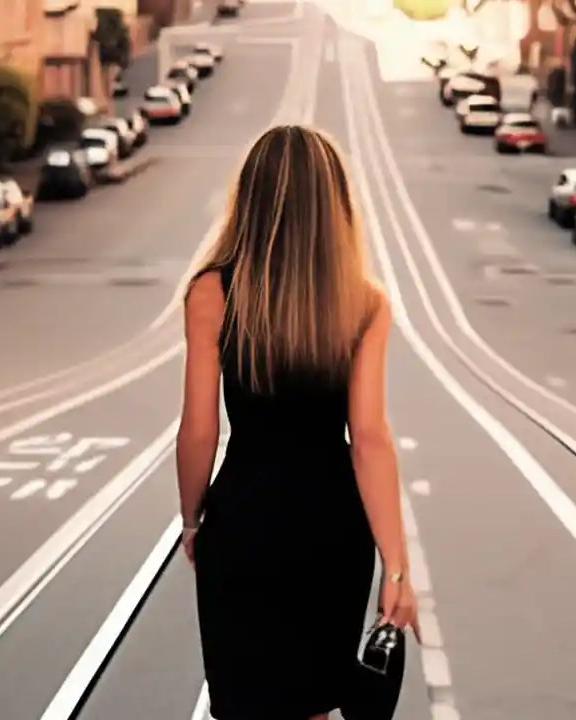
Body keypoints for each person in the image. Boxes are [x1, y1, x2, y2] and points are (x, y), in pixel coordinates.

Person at [177, 125, 420, 720]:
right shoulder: (363, 304)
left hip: (244, 518)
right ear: (334, 206)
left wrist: (192, 519)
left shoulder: (212, 292)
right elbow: (369, 440)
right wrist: (396, 567)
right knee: (312, 704)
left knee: (244, 704)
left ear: (249, 201)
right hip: (330, 530)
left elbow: (199, 430)